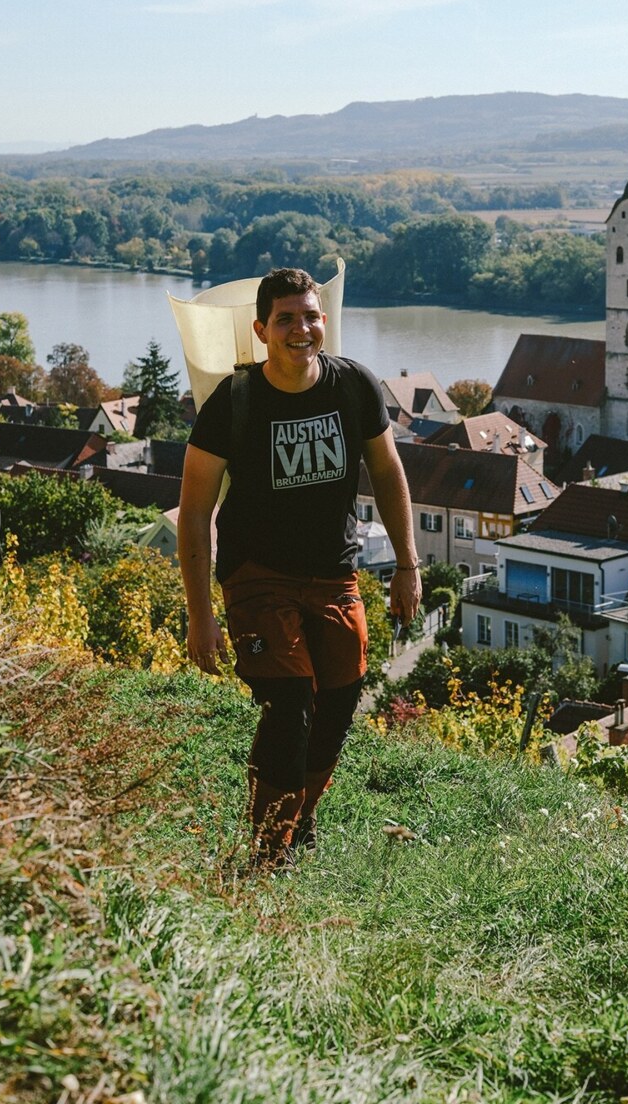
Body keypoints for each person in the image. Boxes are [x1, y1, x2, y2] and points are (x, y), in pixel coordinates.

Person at [178, 267, 421, 867]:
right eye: (285, 318)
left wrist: (408, 564)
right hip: (257, 575)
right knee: (289, 708)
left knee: (338, 704)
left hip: (334, 573)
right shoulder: (232, 403)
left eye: (310, 315)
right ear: (261, 330)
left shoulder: (353, 386)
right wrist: (199, 615)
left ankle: (301, 815)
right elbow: (193, 514)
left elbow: (388, 474)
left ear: (324, 321)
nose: (301, 328)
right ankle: (269, 850)